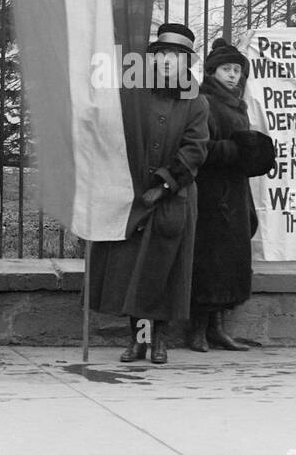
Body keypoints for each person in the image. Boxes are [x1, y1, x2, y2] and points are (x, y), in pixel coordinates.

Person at [86, 23, 209, 365]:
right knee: (132, 272)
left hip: (173, 197)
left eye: (177, 57)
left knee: (163, 272)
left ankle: (160, 340)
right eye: (163, 56)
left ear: (187, 64)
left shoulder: (196, 103)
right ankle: (137, 340)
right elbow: (114, 131)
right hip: (134, 198)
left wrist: (167, 183)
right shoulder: (133, 96)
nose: (168, 62)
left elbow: (196, 149)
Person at [187, 39, 257, 352]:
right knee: (208, 261)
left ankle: (217, 328)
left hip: (234, 191)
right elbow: (198, 146)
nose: (233, 75)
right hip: (211, 193)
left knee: (228, 263)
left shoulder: (237, 103)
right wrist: (236, 149)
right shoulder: (203, 101)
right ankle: (197, 330)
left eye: (237, 71)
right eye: (227, 69)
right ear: (212, 72)